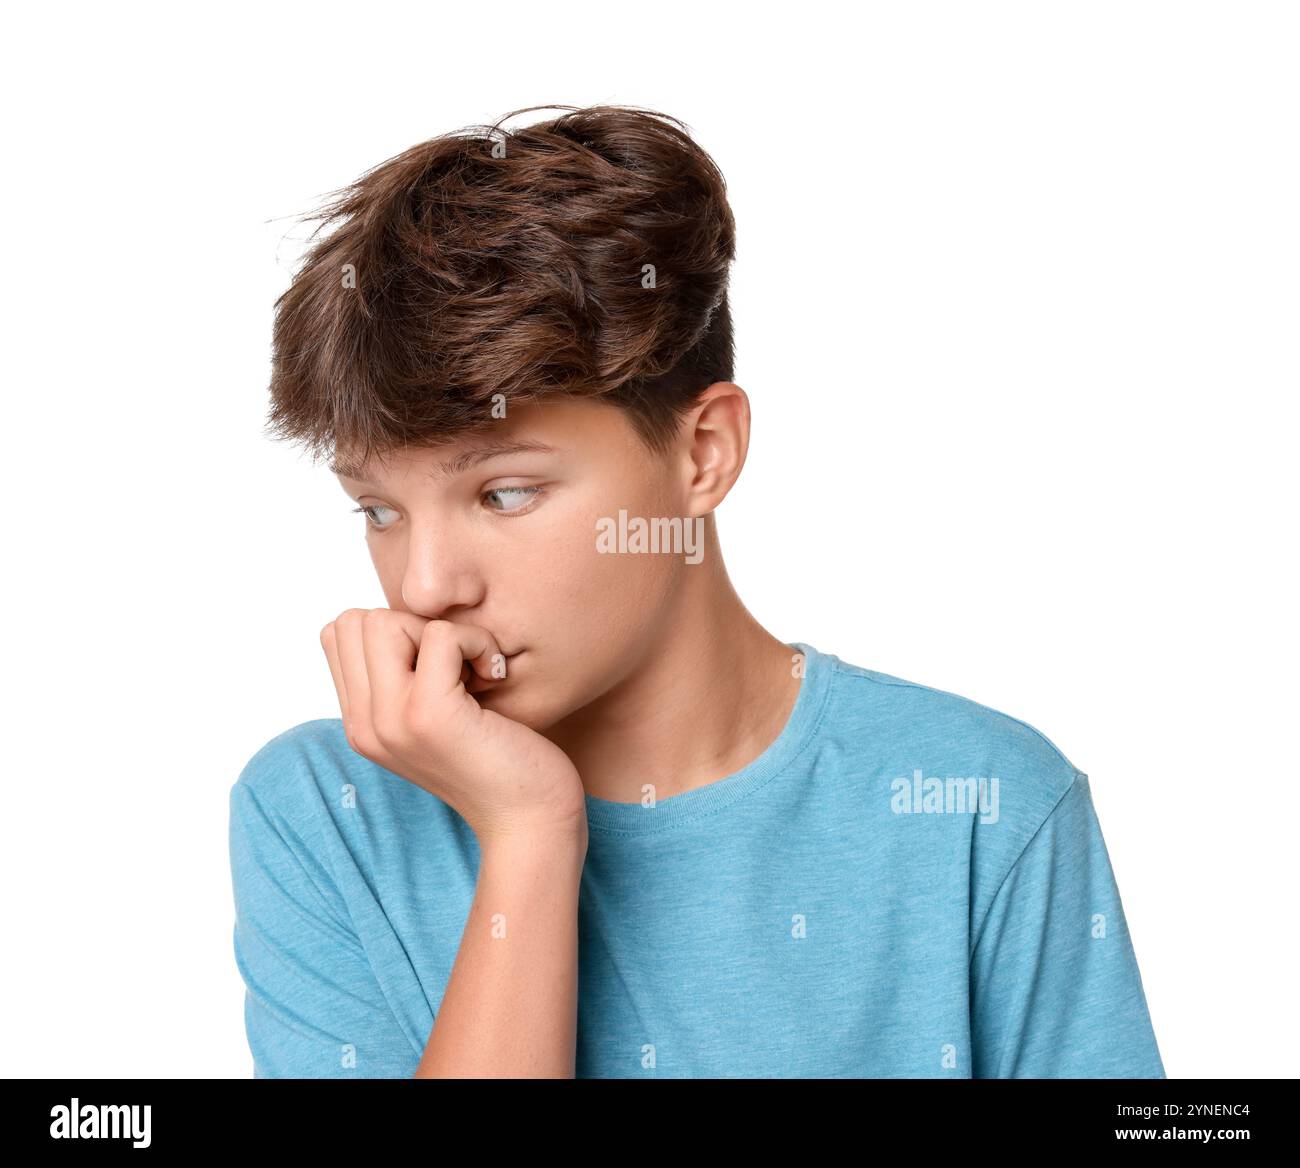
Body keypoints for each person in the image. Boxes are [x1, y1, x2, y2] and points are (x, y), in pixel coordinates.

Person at [228, 103, 1165, 1079]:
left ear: (702, 453)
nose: (424, 586)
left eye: (503, 493)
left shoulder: (981, 802)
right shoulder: (326, 809)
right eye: (377, 510)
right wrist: (528, 833)